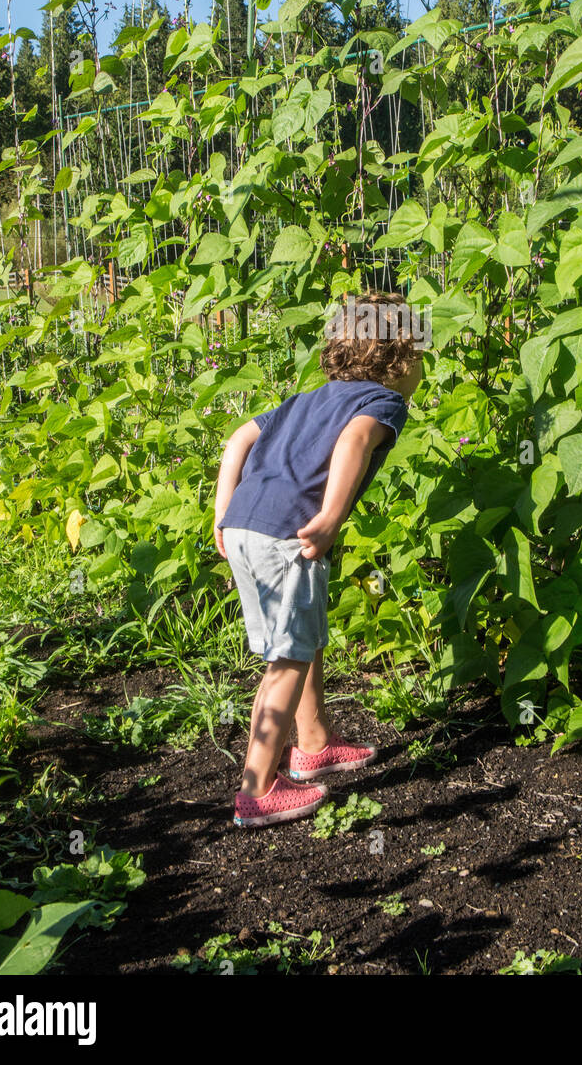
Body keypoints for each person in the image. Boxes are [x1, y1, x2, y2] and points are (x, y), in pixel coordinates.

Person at [213, 290, 425, 828]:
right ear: (397, 360)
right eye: (420, 355)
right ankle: (256, 791)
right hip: (292, 534)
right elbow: (354, 442)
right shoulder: (382, 403)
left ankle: (313, 743)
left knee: (297, 638)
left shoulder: (306, 398)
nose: (421, 367)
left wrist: (221, 515)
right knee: (286, 658)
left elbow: (237, 438)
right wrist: (331, 518)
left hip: (243, 525)